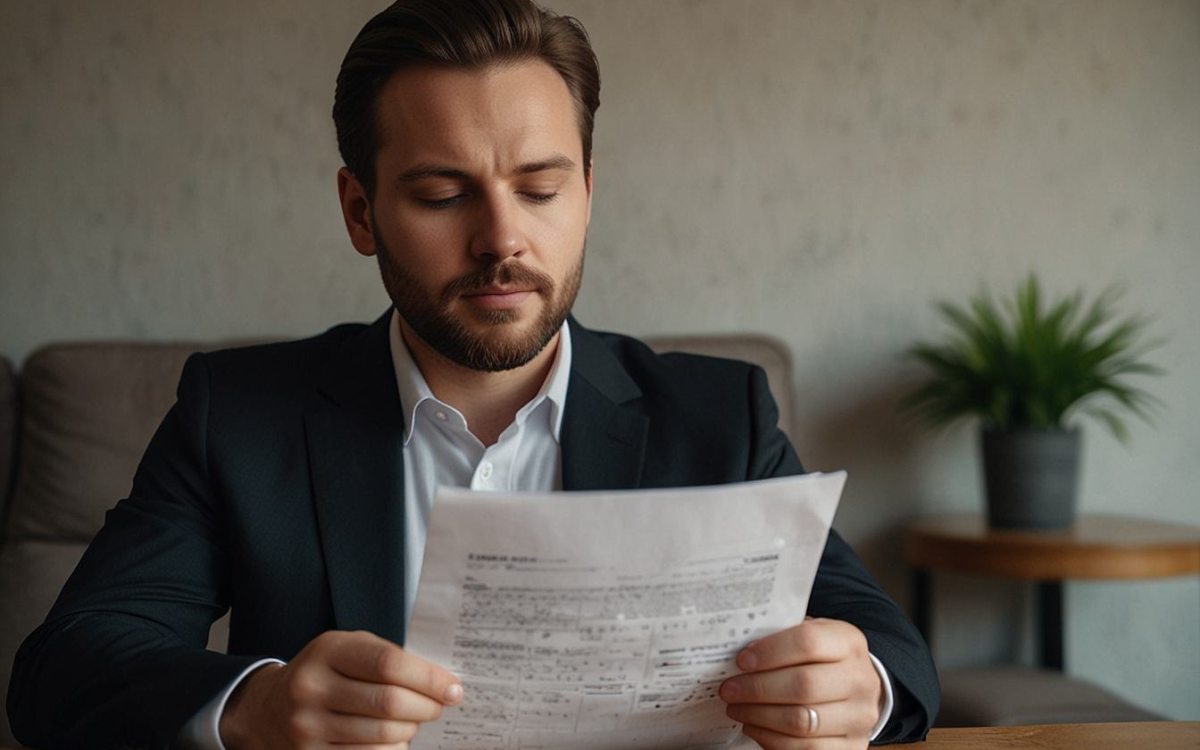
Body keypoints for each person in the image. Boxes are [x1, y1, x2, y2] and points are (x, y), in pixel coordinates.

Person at [7, 1, 939, 748]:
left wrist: (856, 687)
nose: (502, 240)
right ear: (360, 210)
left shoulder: (718, 412)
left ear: (587, 194)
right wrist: (255, 706)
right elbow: (63, 671)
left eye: (540, 189)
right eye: (443, 194)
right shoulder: (239, 416)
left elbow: (891, 653)